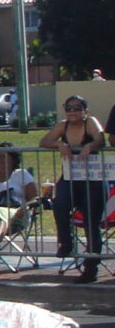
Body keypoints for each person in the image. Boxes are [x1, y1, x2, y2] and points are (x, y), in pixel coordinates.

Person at [39, 95, 106, 283]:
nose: (73, 111)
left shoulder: (90, 122)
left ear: (85, 111)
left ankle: (91, 267)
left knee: (91, 222)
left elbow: (101, 140)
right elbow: (44, 141)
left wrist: (90, 146)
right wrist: (59, 144)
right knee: (59, 204)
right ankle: (66, 243)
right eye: (69, 108)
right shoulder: (63, 125)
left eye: (77, 107)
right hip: (70, 177)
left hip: (92, 179)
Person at [0, 144, 39, 251]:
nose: (0, 159)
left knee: (0, 211)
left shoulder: (21, 174)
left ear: (13, 159)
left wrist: (26, 207)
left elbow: (35, 198)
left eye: (4, 156)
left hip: (16, 213)